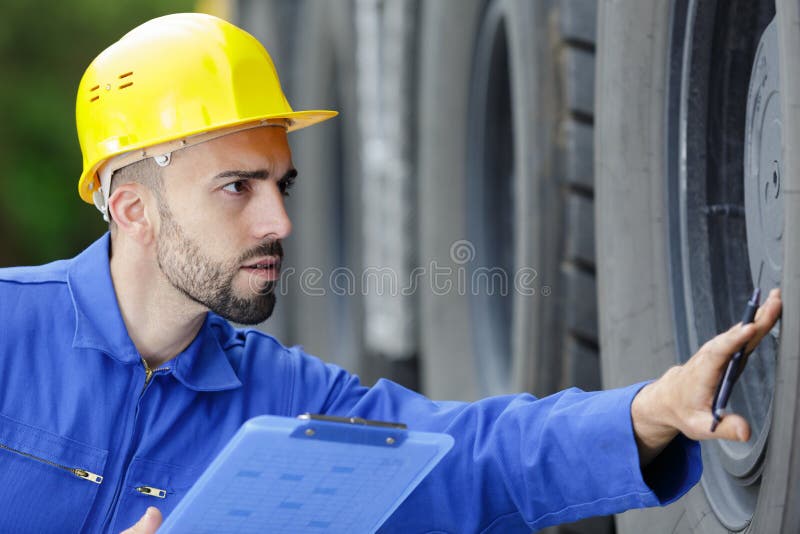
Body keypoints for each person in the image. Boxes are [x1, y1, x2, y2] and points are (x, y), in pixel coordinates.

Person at [0, 13, 782, 534]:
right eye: (238, 187)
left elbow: (471, 457)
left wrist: (646, 412)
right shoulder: (9, 335)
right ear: (133, 210)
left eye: (282, 185)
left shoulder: (284, 404)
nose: (279, 222)